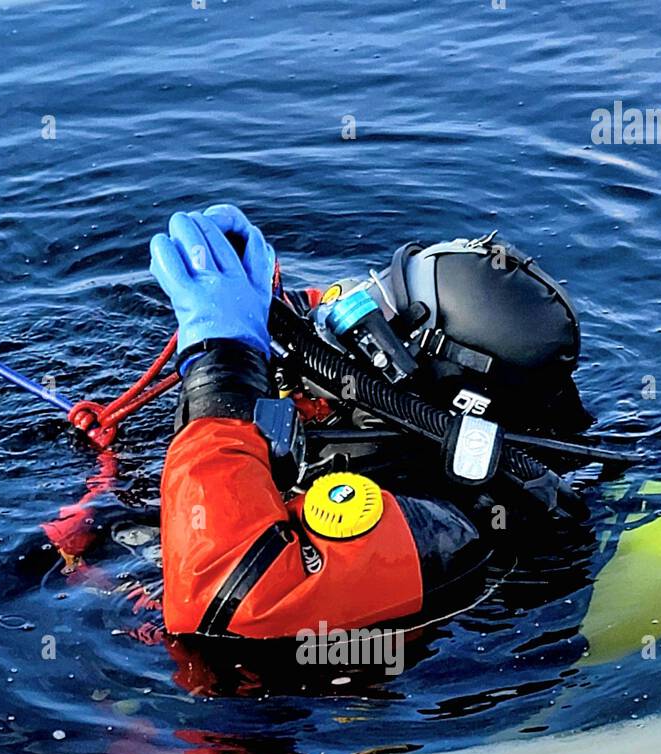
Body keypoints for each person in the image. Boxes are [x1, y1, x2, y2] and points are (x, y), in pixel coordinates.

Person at [149, 204, 499, 641]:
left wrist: (223, 366)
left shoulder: (446, 535)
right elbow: (330, 342)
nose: (345, 303)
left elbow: (225, 599)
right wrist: (263, 299)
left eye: (374, 322)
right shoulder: (381, 423)